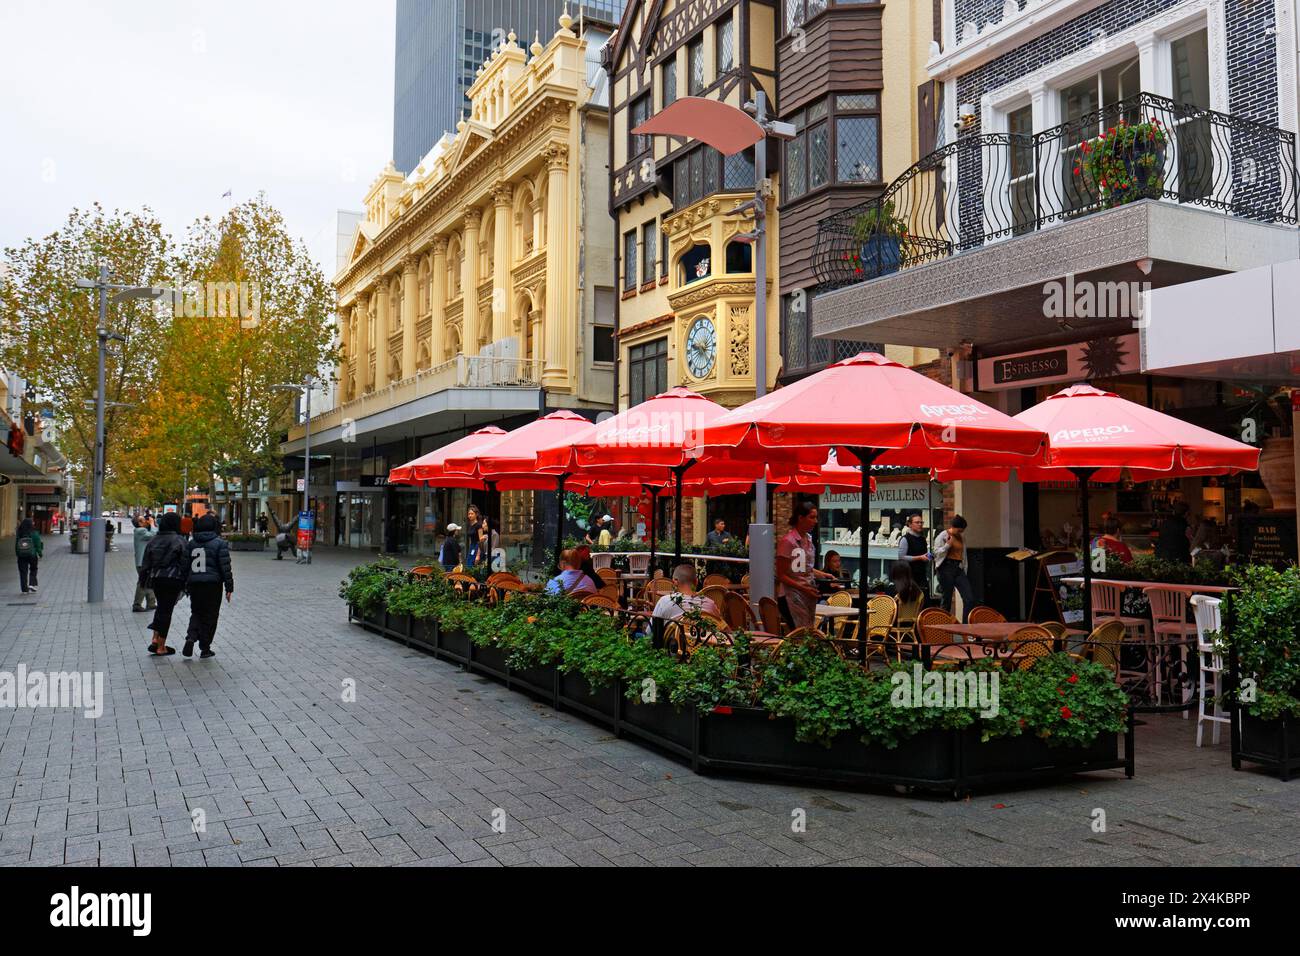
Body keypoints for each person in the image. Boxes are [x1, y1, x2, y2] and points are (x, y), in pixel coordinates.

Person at [183, 513, 233, 659]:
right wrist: (229, 587)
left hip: (195, 583)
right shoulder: (219, 543)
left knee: (196, 612)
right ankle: (205, 647)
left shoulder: (191, 543)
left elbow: (185, 565)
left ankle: (191, 637)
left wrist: (185, 584)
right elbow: (225, 567)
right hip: (213, 584)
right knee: (210, 615)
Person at [140, 512, 190, 656]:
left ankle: (155, 639)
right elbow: (185, 563)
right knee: (166, 611)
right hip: (173, 579)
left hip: (156, 579)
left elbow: (146, 562)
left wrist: (143, 580)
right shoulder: (179, 540)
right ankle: (161, 646)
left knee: (161, 608)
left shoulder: (153, 540)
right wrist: (187, 583)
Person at [776, 501, 821, 630]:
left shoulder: (809, 540)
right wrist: (803, 588)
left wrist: (825, 575)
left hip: (808, 595)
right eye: (812, 517)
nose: (815, 521)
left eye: (816, 517)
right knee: (801, 635)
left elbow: (804, 567)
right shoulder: (788, 541)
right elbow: (781, 575)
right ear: (800, 518)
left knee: (808, 633)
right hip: (790, 596)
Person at [932, 514, 975, 623]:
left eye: (962, 531)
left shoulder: (961, 537)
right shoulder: (943, 535)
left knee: (969, 598)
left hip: (958, 568)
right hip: (945, 568)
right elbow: (935, 552)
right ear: (954, 527)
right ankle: (942, 628)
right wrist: (947, 545)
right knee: (947, 599)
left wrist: (964, 569)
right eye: (959, 530)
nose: (960, 533)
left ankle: (966, 627)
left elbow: (963, 554)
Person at [652, 563, 719, 620]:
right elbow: (722, 629)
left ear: (675, 582)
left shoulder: (665, 601)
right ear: (696, 582)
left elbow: (651, 631)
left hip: (672, 635)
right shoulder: (710, 605)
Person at [897, 512, 932, 593]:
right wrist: (920, 557)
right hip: (909, 576)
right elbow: (901, 557)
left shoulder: (922, 539)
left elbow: (925, 554)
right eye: (917, 522)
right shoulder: (905, 539)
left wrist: (930, 557)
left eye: (921, 522)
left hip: (922, 575)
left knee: (924, 598)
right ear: (910, 524)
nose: (920, 524)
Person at [132, 516, 157, 612]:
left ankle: (151, 602)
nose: (146, 521)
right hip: (143, 562)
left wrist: (152, 524)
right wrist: (152, 523)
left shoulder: (141, 531)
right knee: (143, 582)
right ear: (139, 523)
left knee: (148, 581)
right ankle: (137, 604)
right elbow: (154, 534)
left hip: (144, 561)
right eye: (143, 520)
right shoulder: (140, 531)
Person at [14, 517, 42, 593]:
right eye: (32, 522)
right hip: (32, 554)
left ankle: (24, 589)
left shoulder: (20, 533)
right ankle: (32, 584)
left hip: (21, 555)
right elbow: (38, 545)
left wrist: (17, 553)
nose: (33, 523)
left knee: (23, 572)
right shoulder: (34, 533)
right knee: (33, 569)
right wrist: (40, 553)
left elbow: (16, 544)